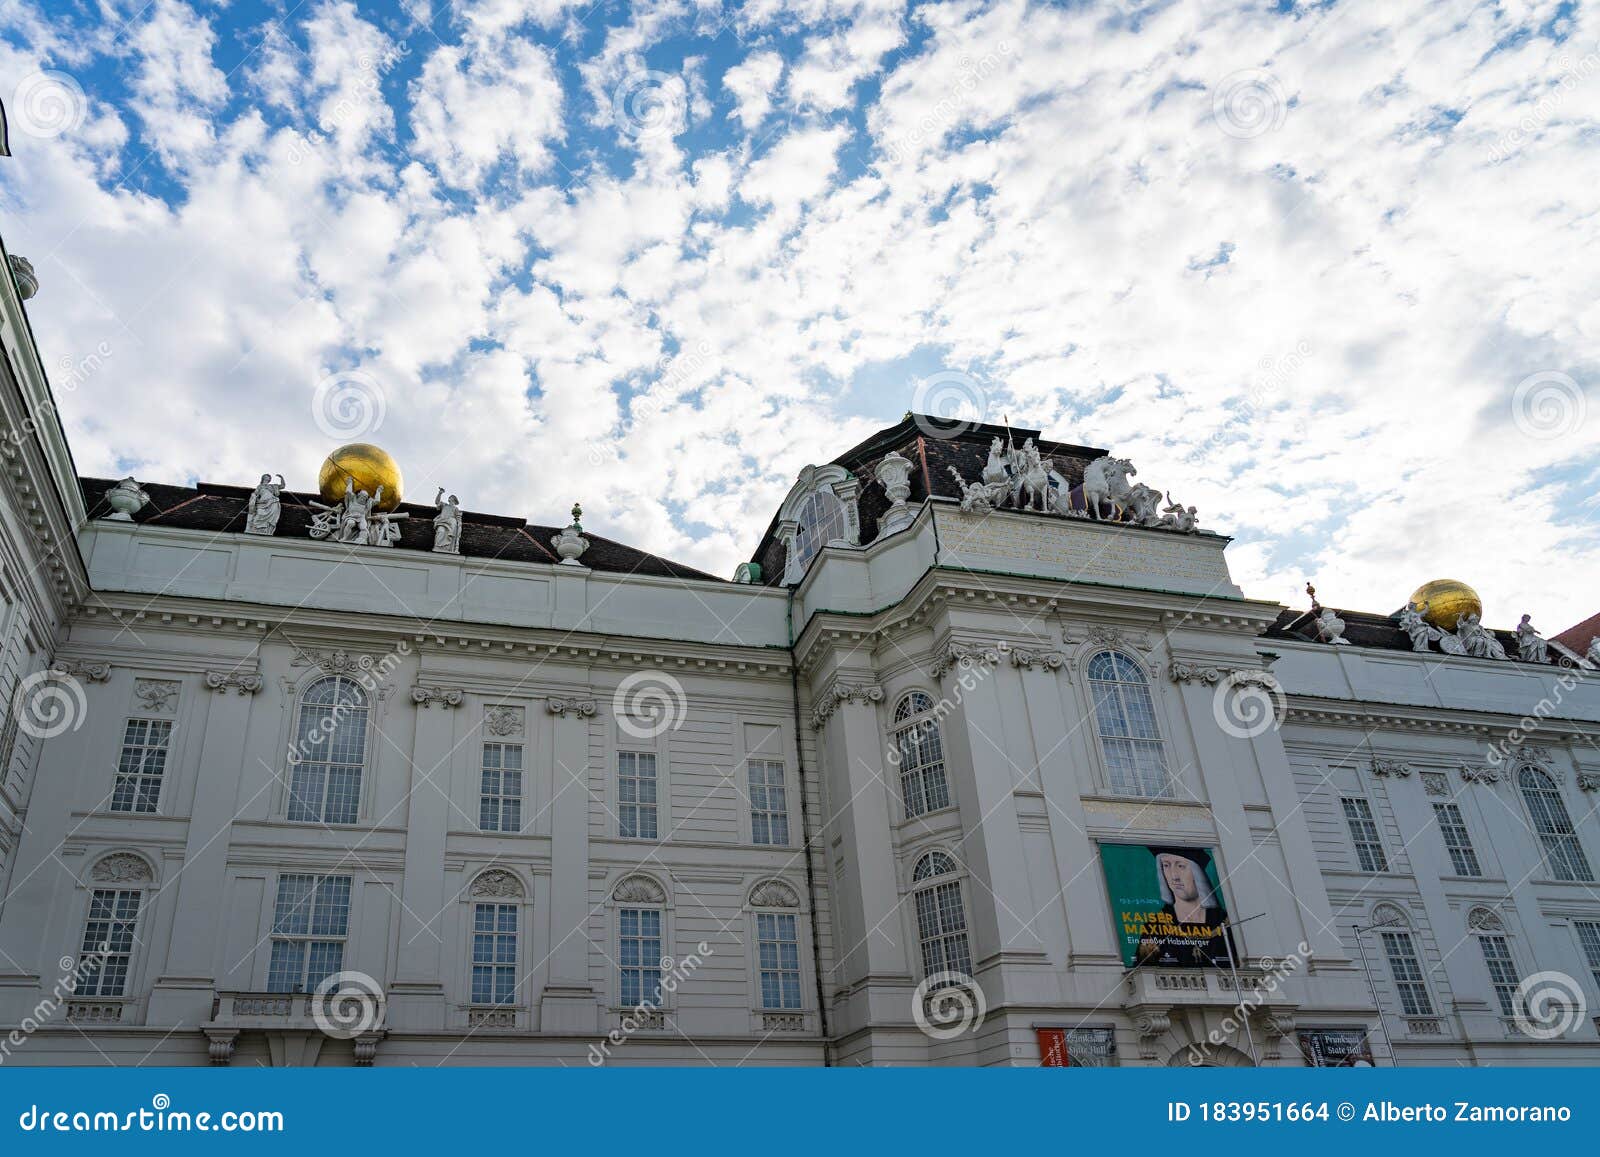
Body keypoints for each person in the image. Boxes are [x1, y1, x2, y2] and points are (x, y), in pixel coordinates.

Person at [1135, 847, 1234, 967]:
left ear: (1197, 873)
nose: (1174, 876)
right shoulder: (1154, 928)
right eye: (1166, 865)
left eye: (1181, 866)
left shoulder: (1226, 924)